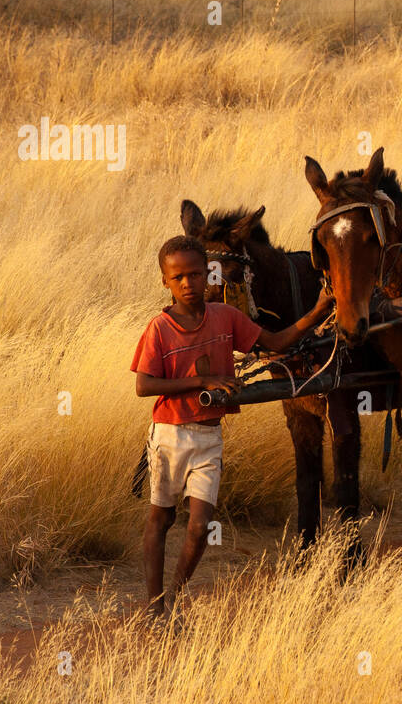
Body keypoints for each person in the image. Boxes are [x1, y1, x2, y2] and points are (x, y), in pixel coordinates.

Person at [130, 235, 334, 621]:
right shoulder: (159, 328)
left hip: (209, 437)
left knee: (201, 524)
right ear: (165, 282)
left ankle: (173, 596)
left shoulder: (226, 317)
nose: (189, 284)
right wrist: (202, 382)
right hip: (170, 433)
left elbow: (274, 341)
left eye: (196, 274)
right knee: (162, 518)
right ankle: (156, 606)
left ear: (209, 275)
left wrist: (318, 310)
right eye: (179, 278)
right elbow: (144, 386)